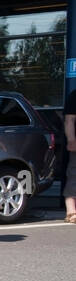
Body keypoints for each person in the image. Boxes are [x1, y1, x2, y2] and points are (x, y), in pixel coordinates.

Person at [64, 86, 76, 224]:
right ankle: (71, 211)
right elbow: (69, 120)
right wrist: (71, 140)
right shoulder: (74, 96)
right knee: (74, 175)